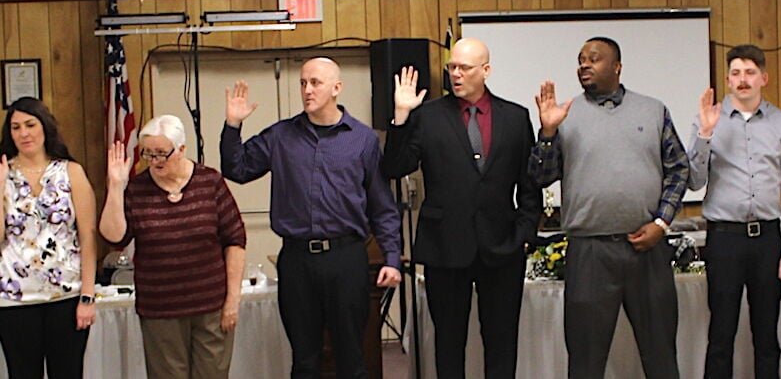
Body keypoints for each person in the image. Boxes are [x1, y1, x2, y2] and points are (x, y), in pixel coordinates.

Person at [218, 57, 404, 379]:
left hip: (346, 258)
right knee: (304, 361)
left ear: (336, 88)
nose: (307, 90)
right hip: (297, 260)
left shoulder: (363, 139)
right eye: (303, 83)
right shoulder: (281, 135)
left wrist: (391, 257)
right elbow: (237, 169)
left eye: (315, 83)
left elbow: (381, 205)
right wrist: (233, 126)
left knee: (352, 359)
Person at [530, 36, 690, 379]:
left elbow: (679, 169)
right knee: (585, 362)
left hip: (647, 249)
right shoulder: (564, 115)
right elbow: (540, 177)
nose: (584, 65)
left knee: (661, 355)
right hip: (589, 252)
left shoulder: (653, 110)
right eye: (580, 60)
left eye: (594, 58)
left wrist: (661, 223)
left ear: (617, 67)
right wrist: (548, 132)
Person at [380, 38, 540, 379]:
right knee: (448, 345)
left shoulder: (515, 117)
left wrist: (526, 232)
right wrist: (401, 117)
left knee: (502, 341)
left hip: (503, 246)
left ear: (486, 70)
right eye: (452, 67)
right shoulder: (428, 116)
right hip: (445, 246)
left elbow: (529, 185)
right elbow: (394, 167)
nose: (455, 74)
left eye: (464, 68)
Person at [689, 44, 781, 379]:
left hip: (767, 238)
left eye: (750, 73)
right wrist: (705, 134)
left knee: (767, 334)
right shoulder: (707, 120)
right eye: (736, 73)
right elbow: (694, 181)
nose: (743, 80)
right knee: (721, 334)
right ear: (727, 79)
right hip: (725, 239)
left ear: (763, 78)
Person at [102, 115, 248, 379]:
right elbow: (115, 237)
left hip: (211, 307)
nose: (154, 161)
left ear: (181, 149)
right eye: (148, 153)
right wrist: (115, 186)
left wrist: (232, 300)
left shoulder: (209, 181)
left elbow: (235, 239)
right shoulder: (137, 188)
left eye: (162, 153)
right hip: (160, 311)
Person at [0, 97, 100, 378]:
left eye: (30, 125)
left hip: (66, 296)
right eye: (16, 127)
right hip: (14, 300)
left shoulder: (71, 171)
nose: (24, 133)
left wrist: (87, 296)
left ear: (45, 127)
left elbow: (88, 237)